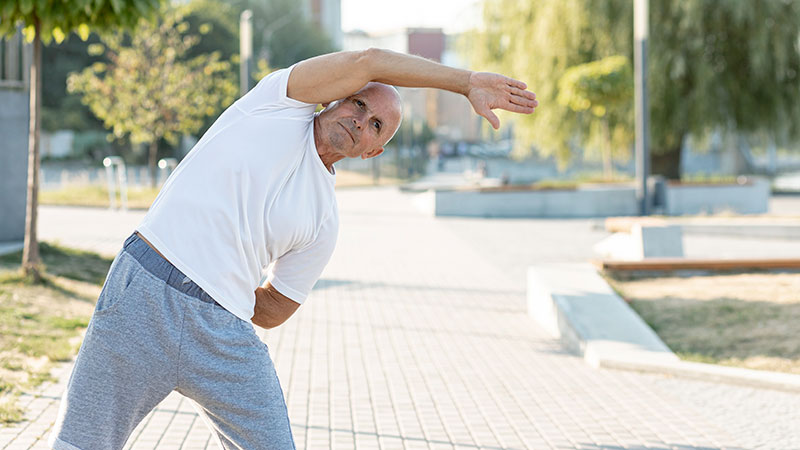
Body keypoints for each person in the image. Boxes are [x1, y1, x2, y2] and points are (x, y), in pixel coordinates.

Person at [48, 48, 537, 450]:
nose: (360, 121)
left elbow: (277, 306)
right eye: (358, 105)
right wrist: (465, 81)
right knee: (80, 444)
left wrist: (225, 291)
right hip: (143, 294)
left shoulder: (325, 219)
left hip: (223, 334)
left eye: (376, 127)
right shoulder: (276, 102)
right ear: (333, 99)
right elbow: (368, 60)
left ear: (373, 152)